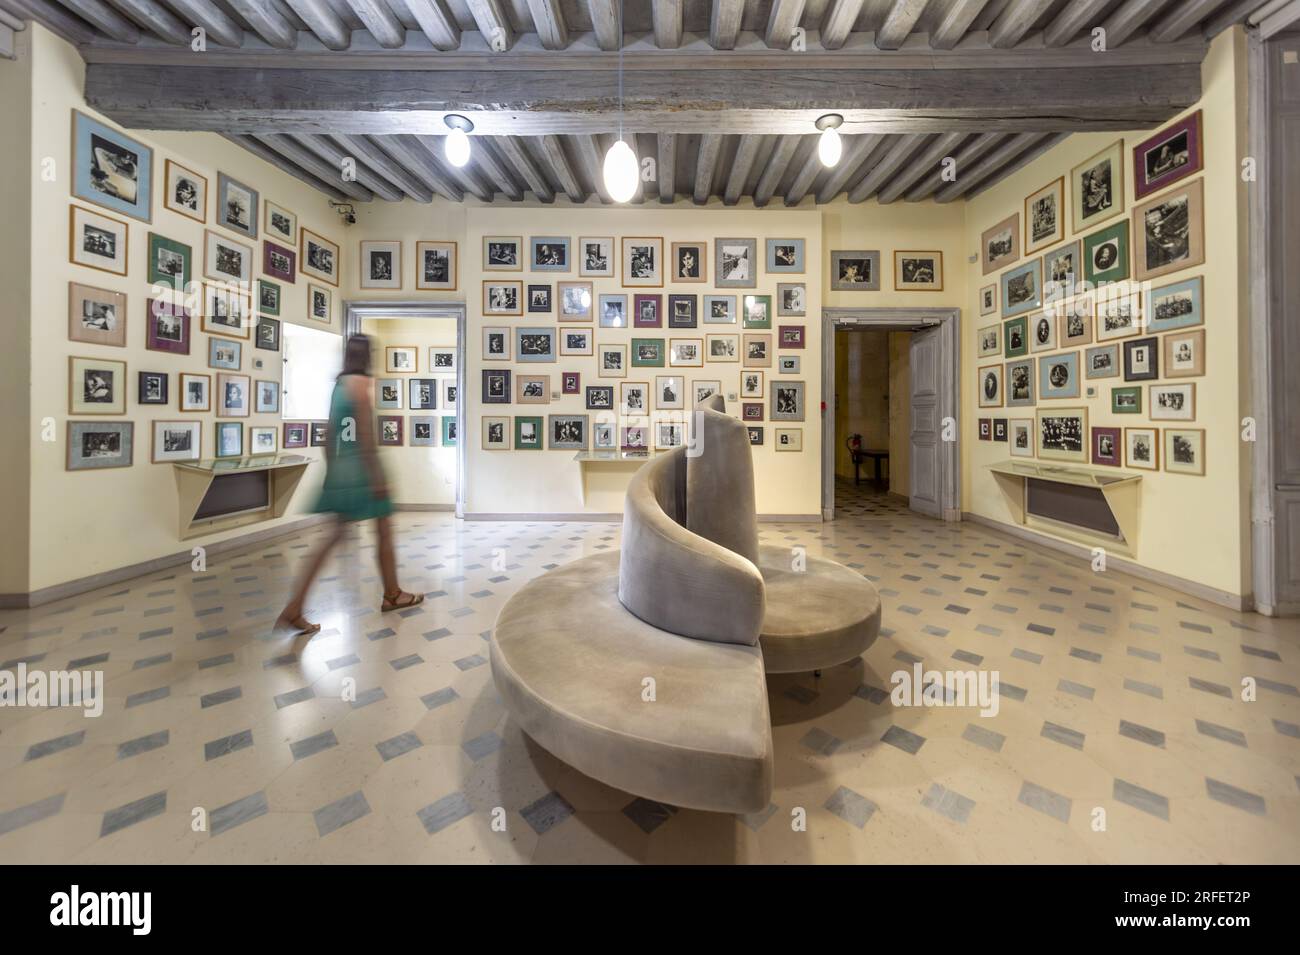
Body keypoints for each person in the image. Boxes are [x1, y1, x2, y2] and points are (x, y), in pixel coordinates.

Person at [277, 334, 423, 635]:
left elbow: (329, 437)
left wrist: (333, 473)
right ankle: (392, 594)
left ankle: (295, 606)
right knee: (383, 530)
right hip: (362, 471)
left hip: (341, 470)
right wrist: (378, 478)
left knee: (333, 538)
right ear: (368, 355)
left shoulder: (339, 386)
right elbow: (367, 435)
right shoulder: (360, 385)